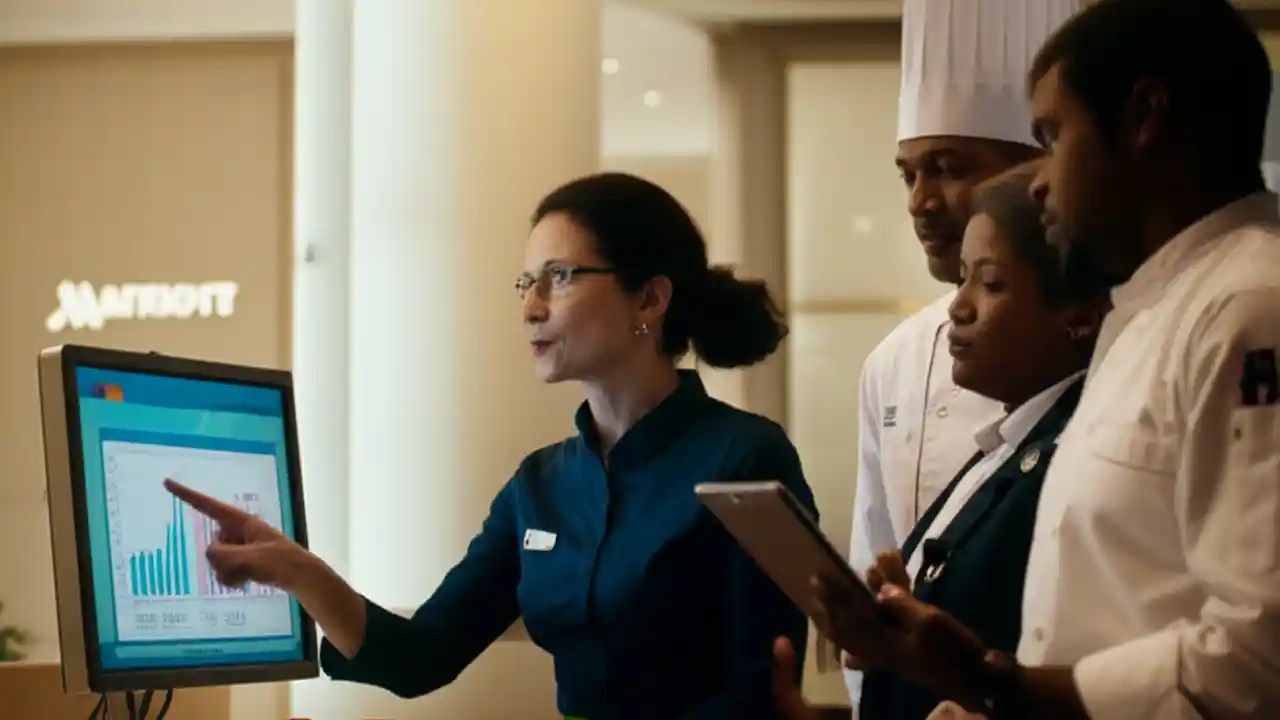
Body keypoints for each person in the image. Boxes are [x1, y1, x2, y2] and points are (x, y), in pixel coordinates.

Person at [781, 1, 1280, 718]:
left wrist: (1007, 688)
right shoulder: (1150, 310)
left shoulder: (1250, 307)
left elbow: (1258, 654)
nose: (1038, 181)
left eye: (1052, 137)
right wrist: (972, 680)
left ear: (1146, 117)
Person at [169, 172, 816, 718]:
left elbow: (763, 690)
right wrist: (295, 570)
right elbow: (419, 658)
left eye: (560, 277)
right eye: (526, 282)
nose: (531, 306)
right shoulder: (540, 485)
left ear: (650, 297)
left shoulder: (747, 457)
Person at [845, 0, 1076, 704]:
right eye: (907, 175)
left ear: (1039, 173)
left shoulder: (1104, 341)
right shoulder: (895, 358)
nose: (921, 201)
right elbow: (874, 555)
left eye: (947, 168)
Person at [854, 161, 1109, 720]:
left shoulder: (1074, 456)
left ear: (1083, 317)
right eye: (962, 277)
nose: (957, 307)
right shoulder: (1007, 446)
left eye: (990, 283)